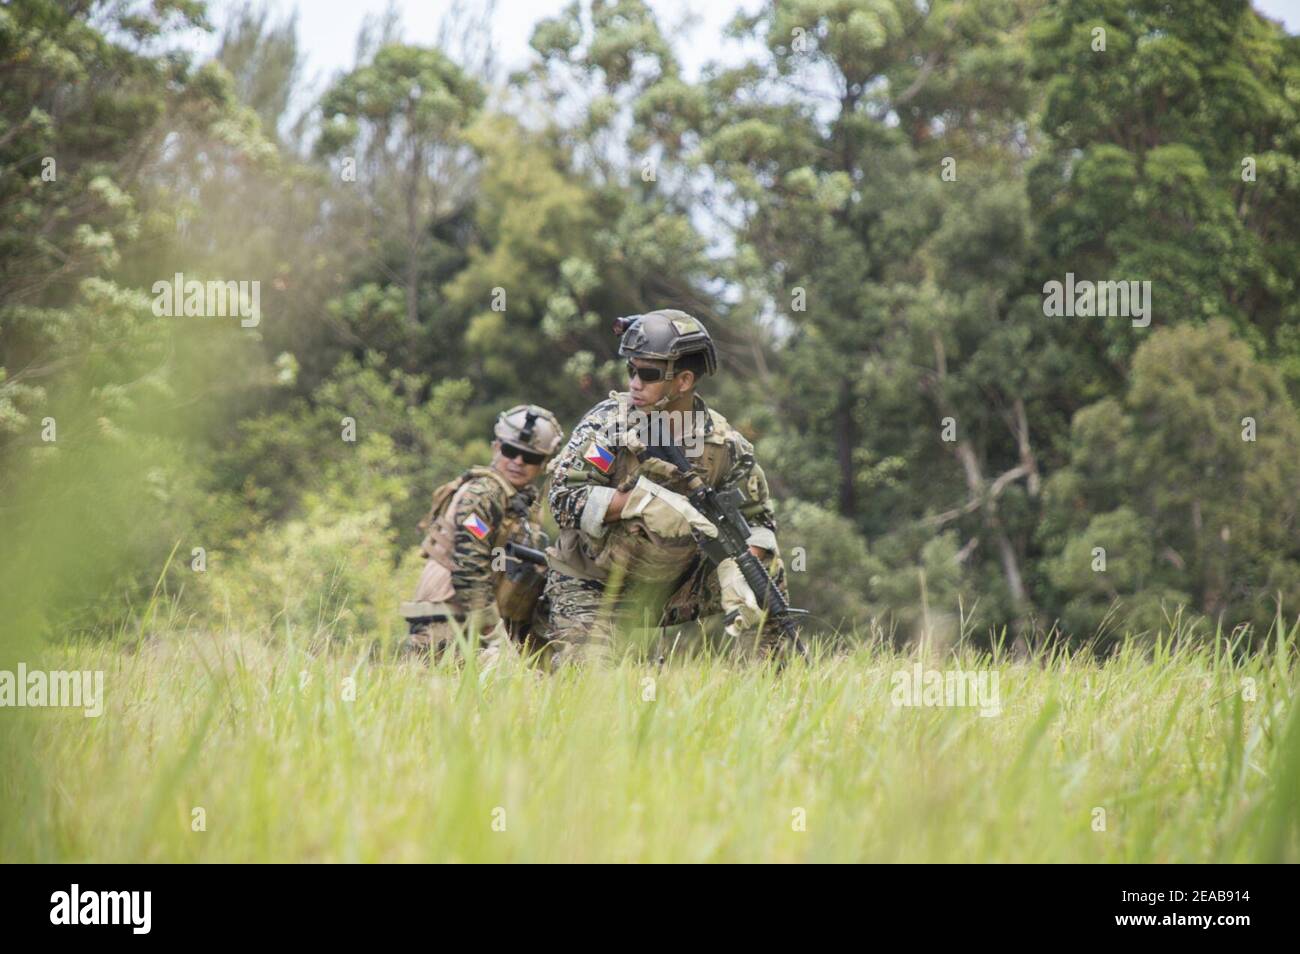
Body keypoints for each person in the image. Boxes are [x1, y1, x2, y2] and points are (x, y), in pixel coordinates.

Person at [544, 309, 791, 666]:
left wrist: (739, 568)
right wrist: (636, 503)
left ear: (684, 381)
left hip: (671, 586)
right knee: (594, 689)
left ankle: (764, 687)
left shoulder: (724, 445)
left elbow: (760, 519)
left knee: (766, 572)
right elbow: (562, 499)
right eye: (631, 370)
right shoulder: (608, 425)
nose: (634, 383)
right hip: (593, 585)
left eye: (648, 374)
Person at [399, 404, 563, 662]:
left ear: (543, 464)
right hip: (446, 620)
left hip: (475, 623)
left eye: (529, 457)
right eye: (511, 451)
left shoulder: (521, 503)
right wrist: (494, 635)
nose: (518, 462)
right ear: (496, 448)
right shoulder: (482, 495)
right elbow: (469, 567)